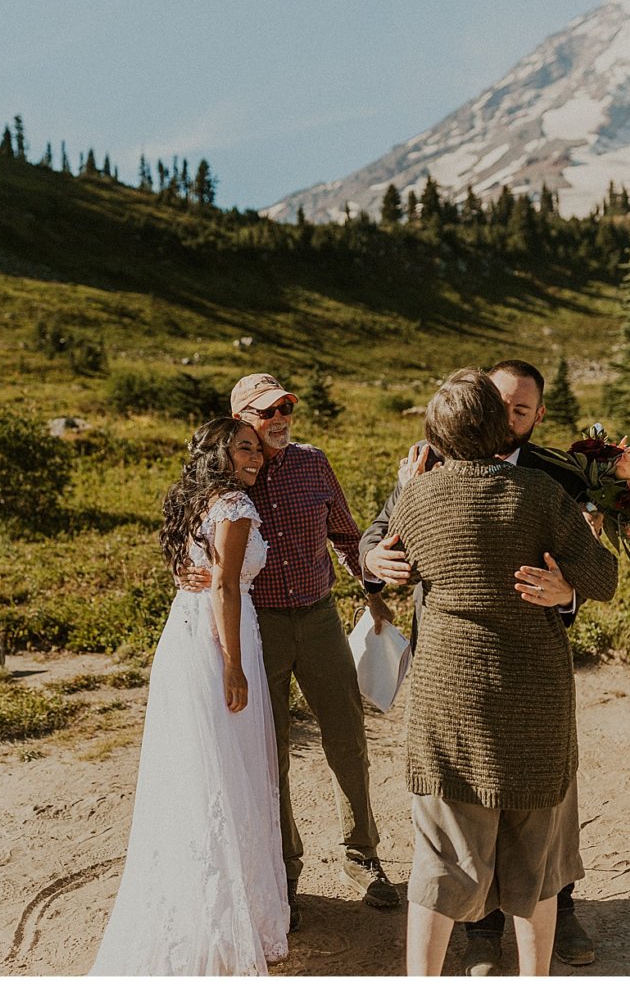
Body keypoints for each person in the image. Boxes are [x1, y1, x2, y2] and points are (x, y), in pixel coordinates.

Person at [360, 359, 599, 973]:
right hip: (532, 696)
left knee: (444, 852)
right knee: (532, 856)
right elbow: (374, 544)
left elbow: (396, 535)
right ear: (495, 421)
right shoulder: (543, 494)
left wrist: (563, 587)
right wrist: (374, 561)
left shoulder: (422, 489)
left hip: (448, 698)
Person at [91, 419, 290, 975]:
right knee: (228, 772)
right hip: (218, 640)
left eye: (258, 449)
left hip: (184, 635)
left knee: (201, 771)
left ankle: (208, 904)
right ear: (219, 456)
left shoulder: (196, 501)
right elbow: (226, 585)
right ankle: (223, 917)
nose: (256, 457)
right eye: (244, 449)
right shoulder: (234, 507)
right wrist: (233, 666)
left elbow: (195, 572)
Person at [229, 373, 401, 927]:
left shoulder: (313, 462)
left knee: (347, 738)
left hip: (321, 617)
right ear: (241, 421)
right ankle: (284, 872)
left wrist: (373, 595)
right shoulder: (229, 474)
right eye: (266, 412)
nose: (279, 419)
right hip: (261, 626)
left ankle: (362, 855)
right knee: (271, 751)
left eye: (286, 408)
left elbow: (349, 537)